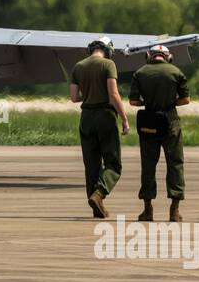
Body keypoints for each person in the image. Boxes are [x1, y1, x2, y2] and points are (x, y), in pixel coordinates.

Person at [128, 43, 189, 222]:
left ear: (149, 55)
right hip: (171, 122)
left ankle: (147, 210)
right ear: (168, 56)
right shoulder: (176, 72)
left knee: (148, 165)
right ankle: (174, 210)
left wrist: (149, 103)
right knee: (175, 164)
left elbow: (133, 101)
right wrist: (169, 103)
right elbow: (185, 99)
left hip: (149, 123)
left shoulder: (140, 73)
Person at [70, 36, 130, 219]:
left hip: (86, 117)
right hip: (105, 116)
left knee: (91, 164)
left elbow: (74, 97)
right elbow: (113, 94)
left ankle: (96, 204)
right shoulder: (108, 65)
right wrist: (124, 119)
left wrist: (89, 94)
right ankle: (99, 194)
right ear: (108, 49)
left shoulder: (78, 66)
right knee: (113, 163)